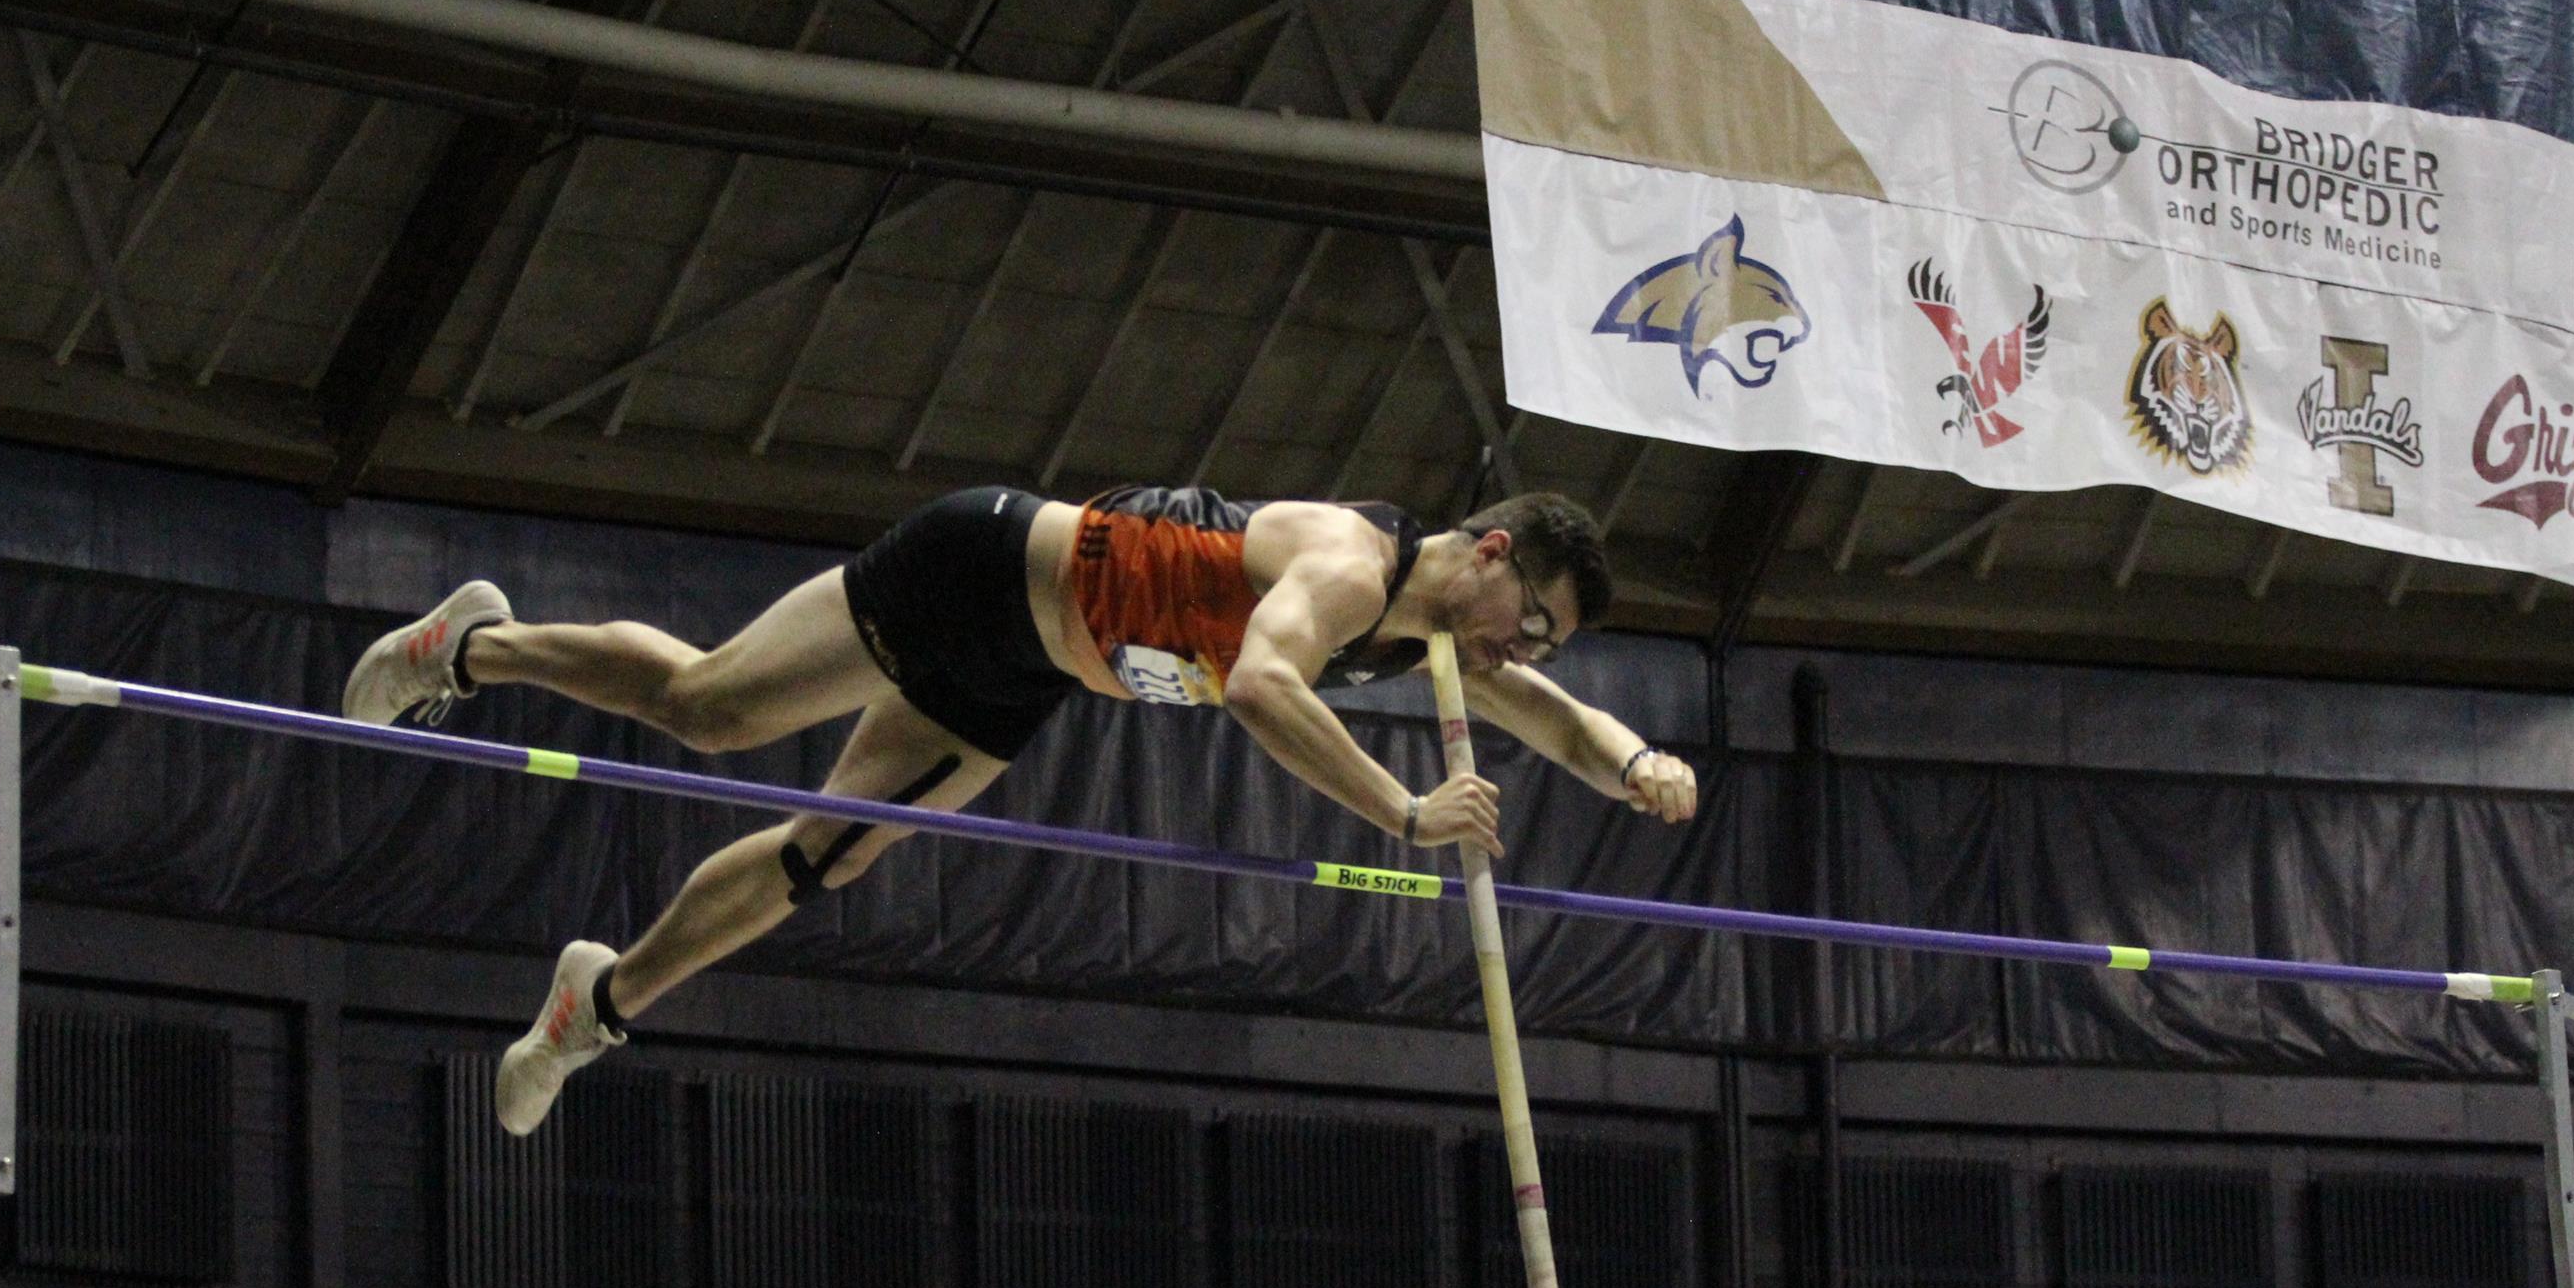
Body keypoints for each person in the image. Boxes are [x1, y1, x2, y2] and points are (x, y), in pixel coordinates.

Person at [340, 485, 1701, 1135]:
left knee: (826, 865)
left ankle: (599, 1004)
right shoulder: (1351, 566)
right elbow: (1263, 686)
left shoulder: (1435, 640)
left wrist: (1634, 761)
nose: (1529, 652)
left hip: (1027, 671)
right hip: (980, 571)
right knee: (711, 710)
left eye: (1549, 642)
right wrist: (1406, 812)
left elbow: (1554, 723)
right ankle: (471, 647)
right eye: (1535, 621)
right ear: (1498, 555)